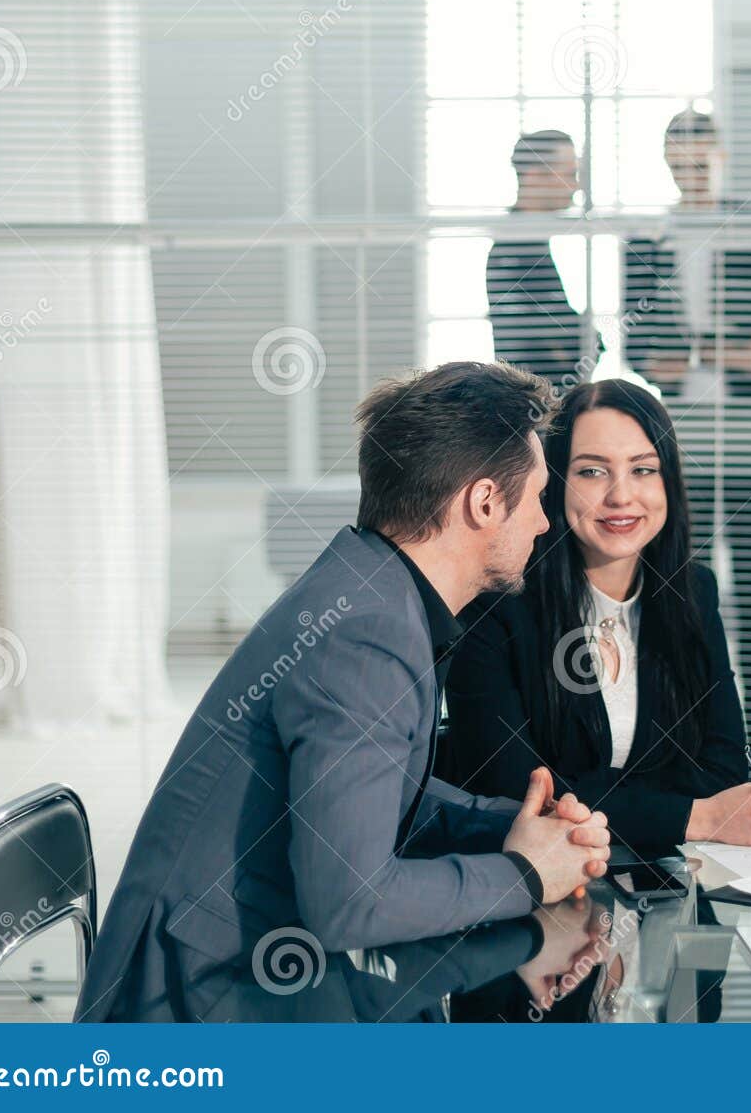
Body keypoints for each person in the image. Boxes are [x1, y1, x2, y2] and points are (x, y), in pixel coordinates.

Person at [76, 362, 611, 1023]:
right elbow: (350, 902)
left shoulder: (372, 591)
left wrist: (515, 829)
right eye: (535, 496)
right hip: (196, 1001)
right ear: (481, 503)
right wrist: (525, 875)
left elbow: (370, 789)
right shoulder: (369, 634)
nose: (542, 521)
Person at [441, 378, 751, 858]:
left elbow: (721, 770)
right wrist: (694, 814)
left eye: (643, 469)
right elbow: (517, 792)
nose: (620, 496)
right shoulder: (495, 602)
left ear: (667, 482)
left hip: (660, 878)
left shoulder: (694, 592)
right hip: (525, 884)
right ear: (554, 482)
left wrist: (595, 792)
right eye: (592, 471)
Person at [622, 107, 751, 760]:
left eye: (699, 160)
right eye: (678, 162)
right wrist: (722, 350)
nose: (689, 173)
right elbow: (640, 345)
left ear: (720, 156)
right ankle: (686, 732)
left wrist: (700, 352)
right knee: (680, 578)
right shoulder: (648, 237)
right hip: (683, 432)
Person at [487, 130, 601, 384]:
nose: (577, 186)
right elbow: (563, 344)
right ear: (534, 176)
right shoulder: (515, 248)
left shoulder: (531, 241)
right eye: (570, 174)